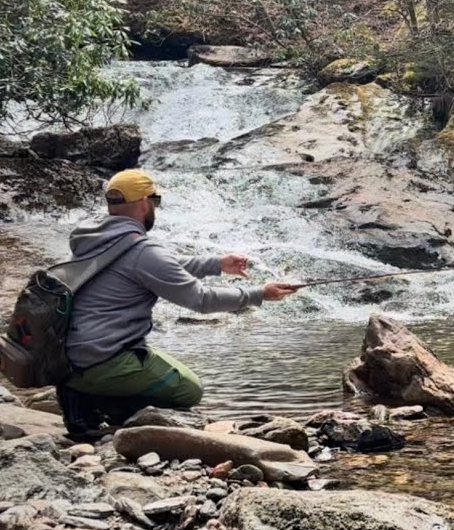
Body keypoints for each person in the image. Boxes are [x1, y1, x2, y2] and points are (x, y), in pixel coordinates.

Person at [56, 169, 298, 437]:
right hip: (103, 360)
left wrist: (217, 264)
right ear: (144, 202)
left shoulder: (94, 239)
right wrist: (258, 294)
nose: (156, 208)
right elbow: (201, 300)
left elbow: (159, 266)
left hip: (69, 358)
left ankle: (83, 393)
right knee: (188, 390)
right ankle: (95, 403)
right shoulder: (141, 251)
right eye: (156, 201)